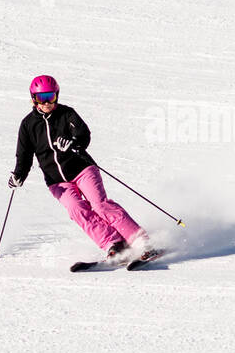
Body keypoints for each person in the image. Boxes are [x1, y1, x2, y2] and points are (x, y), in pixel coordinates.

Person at [8, 75, 149, 259]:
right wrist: (19, 175)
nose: (47, 102)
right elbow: (24, 155)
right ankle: (113, 243)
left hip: (82, 169)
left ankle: (139, 241)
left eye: (51, 97)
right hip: (57, 181)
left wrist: (74, 143)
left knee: (100, 205)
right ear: (34, 98)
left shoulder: (67, 114)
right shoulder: (28, 125)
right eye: (42, 98)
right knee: (76, 210)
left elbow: (83, 134)